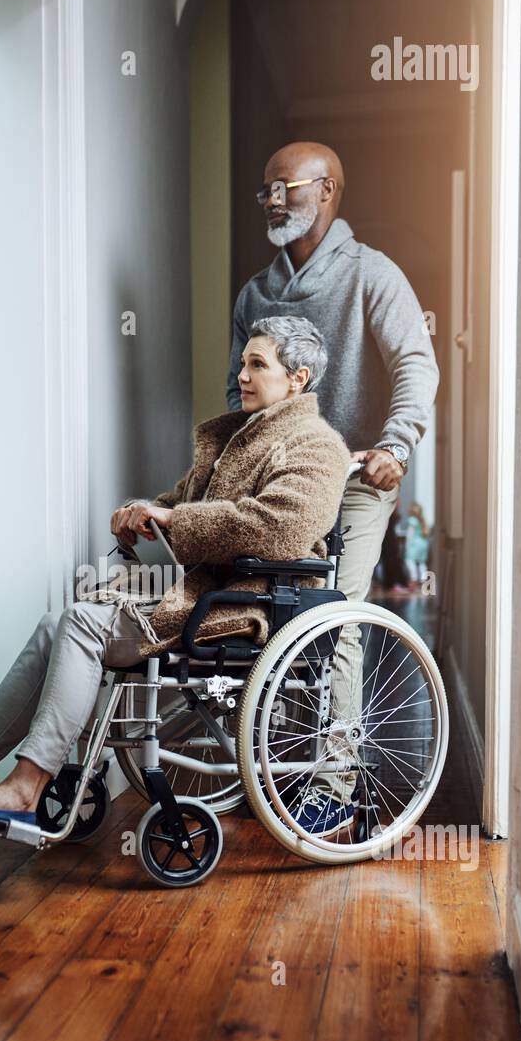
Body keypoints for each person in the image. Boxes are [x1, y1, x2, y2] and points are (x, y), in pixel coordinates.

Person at [0, 316, 350, 825]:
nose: (243, 375)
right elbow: (180, 503)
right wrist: (143, 512)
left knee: (80, 622)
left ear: (298, 378)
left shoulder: (316, 446)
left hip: (252, 602)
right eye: (243, 362)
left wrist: (175, 519)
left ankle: (28, 786)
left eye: (258, 364)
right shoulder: (243, 436)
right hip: (209, 591)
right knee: (54, 625)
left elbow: (277, 527)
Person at [227, 141, 439, 833]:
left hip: (354, 476)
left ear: (328, 191)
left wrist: (395, 444)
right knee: (273, 614)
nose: (272, 200)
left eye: (285, 187)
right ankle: (279, 762)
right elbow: (241, 397)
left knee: (333, 618)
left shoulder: (371, 275)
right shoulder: (254, 294)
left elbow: (415, 363)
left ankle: (337, 779)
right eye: (265, 189)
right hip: (280, 481)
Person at [404, 501, 432, 589]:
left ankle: (414, 579)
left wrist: (406, 546)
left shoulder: (412, 520)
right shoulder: (422, 520)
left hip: (414, 544)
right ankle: (423, 581)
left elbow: (409, 534)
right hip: (423, 543)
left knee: (409, 560)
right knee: (421, 562)